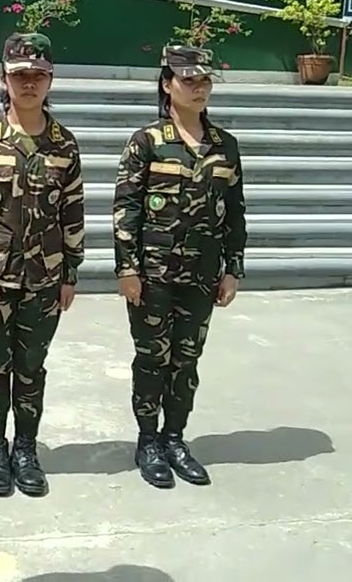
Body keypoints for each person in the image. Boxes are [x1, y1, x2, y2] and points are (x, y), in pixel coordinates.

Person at [111, 45, 247, 490]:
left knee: (186, 361)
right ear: (167, 84)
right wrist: (126, 269)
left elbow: (235, 211)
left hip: (202, 275)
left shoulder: (225, 146)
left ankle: (175, 438)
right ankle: (148, 441)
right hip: (153, 275)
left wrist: (233, 268)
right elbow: (126, 207)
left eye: (204, 81)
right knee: (152, 359)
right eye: (189, 80)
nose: (199, 88)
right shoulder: (147, 141)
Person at [0, 32, 84, 499]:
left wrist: (71, 272)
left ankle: (25, 448)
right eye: (20, 75)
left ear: (51, 80)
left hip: (44, 278)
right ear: (4, 78)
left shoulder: (64, 145)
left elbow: (73, 212)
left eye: (38, 75)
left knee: (31, 368)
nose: (29, 83)